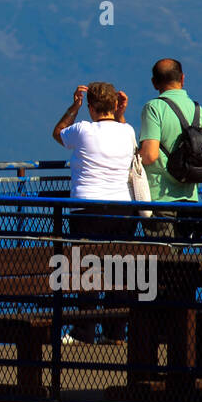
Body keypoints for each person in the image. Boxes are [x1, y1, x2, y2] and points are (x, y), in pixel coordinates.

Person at [53, 81, 139, 344]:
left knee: (86, 271)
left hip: (87, 208)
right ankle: (115, 333)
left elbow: (58, 133)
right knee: (120, 271)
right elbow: (125, 132)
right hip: (123, 210)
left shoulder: (82, 130)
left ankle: (84, 333)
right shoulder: (128, 131)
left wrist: (74, 106)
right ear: (115, 104)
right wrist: (121, 112)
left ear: (90, 107)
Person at [138, 58, 202, 243]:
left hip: (162, 198)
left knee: (163, 260)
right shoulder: (198, 110)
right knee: (181, 261)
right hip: (191, 197)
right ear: (182, 78)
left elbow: (150, 154)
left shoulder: (154, 108)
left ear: (154, 83)